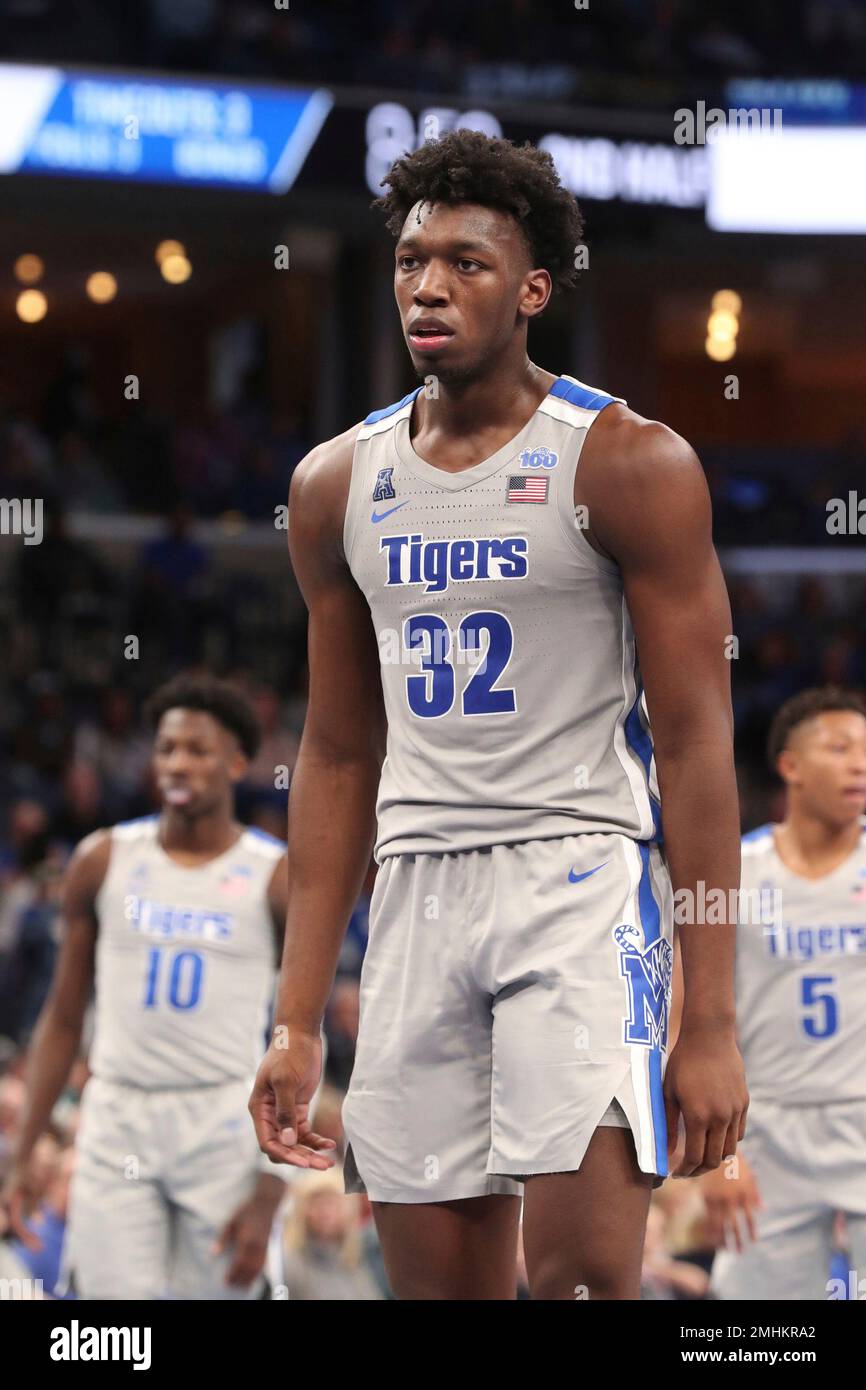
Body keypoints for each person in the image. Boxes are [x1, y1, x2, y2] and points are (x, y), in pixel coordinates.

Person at [250, 129, 747, 1300]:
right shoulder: (333, 483)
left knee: (578, 1283)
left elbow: (695, 745)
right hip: (415, 888)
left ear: (532, 290)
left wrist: (712, 1019)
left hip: (574, 881)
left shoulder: (628, 461)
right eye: (412, 260)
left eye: (466, 263)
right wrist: (293, 1017)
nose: (428, 284)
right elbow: (333, 753)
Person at [2, 675, 295, 1299]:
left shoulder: (275, 875)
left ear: (239, 763)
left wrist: (274, 1186)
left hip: (222, 1118)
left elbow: (302, 1031)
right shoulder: (103, 859)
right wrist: (25, 1151)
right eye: (166, 748)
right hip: (117, 1116)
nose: (177, 763)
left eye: (197, 749)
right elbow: (61, 1017)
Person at [706, 686, 866, 1300]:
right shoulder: (736, 875)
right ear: (790, 766)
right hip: (768, 1131)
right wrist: (720, 1159)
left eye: (864, 750)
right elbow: (698, 1020)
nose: (858, 762)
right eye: (839, 747)